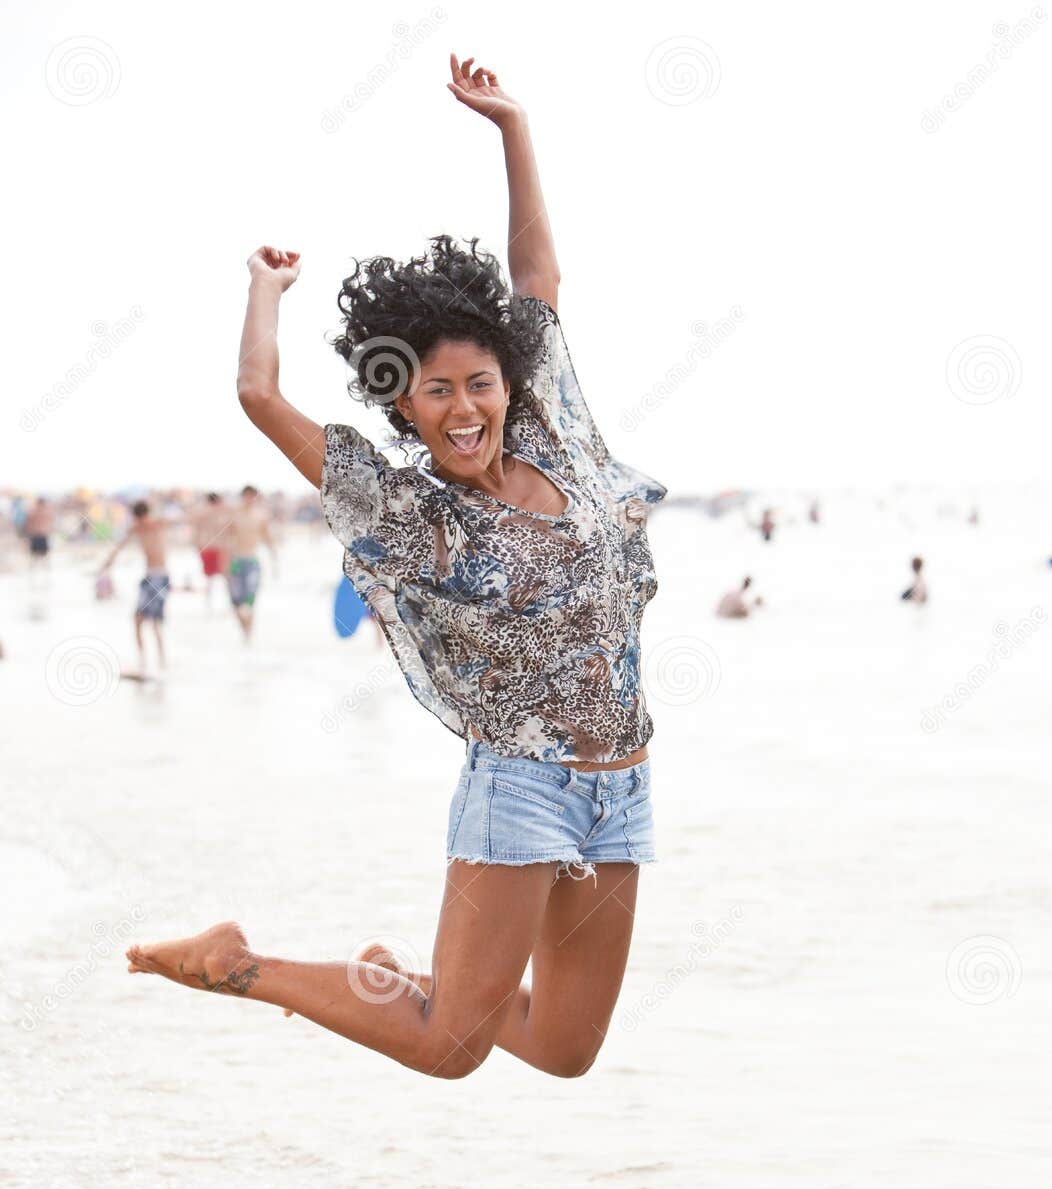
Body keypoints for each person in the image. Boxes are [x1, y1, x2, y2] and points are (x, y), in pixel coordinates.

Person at [126, 53, 667, 1083]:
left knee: (561, 1047)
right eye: (433, 393)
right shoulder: (409, 508)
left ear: (510, 383)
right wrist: (263, 289)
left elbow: (536, 278)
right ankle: (239, 962)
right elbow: (257, 394)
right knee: (449, 1047)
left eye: (478, 383)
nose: (462, 408)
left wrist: (511, 125)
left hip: (623, 787)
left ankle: (388, 976)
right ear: (403, 408)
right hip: (520, 786)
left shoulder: (556, 437)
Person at [102, 500, 171, 674]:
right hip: (148, 578)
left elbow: (178, 519)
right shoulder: (137, 529)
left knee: (155, 623)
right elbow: (119, 546)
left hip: (161, 577)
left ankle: (162, 662)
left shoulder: (158, 525)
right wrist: (108, 562)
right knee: (137, 620)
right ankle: (143, 661)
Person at [220, 486, 275, 637]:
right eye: (247, 496)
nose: (249, 499)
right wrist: (224, 562)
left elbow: (268, 538)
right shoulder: (234, 516)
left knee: (249, 602)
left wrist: (274, 559)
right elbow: (225, 539)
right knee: (237, 603)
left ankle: (249, 633)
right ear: (243, 497)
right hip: (236, 560)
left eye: (252, 496)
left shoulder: (260, 516)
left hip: (252, 561)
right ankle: (245, 631)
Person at [191, 492, 229, 601]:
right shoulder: (218, 513)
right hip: (215, 547)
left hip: (208, 547)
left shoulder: (202, 513)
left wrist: (197, 546)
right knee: (223, 576)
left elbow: (196, 532)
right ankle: (222, 601)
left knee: (210, 578)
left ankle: (209, 601)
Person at [24, 497, 54, 564]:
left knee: (41, 554)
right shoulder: (35, 511)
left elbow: (28, 523)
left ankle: (43, 568)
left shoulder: (36, 511)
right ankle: (38, 568)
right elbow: (28, 523)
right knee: (36, 555)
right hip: (38, 534)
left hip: (40, 534)